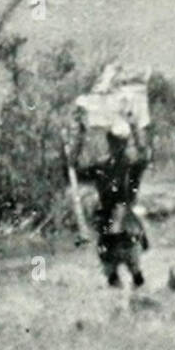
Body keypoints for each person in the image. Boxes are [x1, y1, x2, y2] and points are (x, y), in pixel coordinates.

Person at [66, 122, 153, 288]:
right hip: (111, 223)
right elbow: (73, 168)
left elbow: (145, 155)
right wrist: (79, 139)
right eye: (118, 142)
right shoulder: (106, 166)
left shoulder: (129, 166)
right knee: (115, 275)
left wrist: (135, 128)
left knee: (134, 273)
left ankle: (134, 299)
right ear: (111, 142)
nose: (120, 145)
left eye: (122, 142)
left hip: (123, 223)